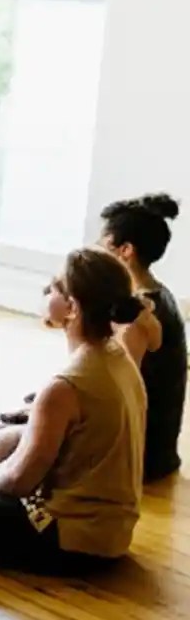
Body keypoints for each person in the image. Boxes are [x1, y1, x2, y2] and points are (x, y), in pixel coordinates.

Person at [0, 247, 145, 575]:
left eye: (54, 287)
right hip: (110, 533)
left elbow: (19, 480)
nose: (46, 292)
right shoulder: (119, 358)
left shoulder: (66, 385)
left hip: (67, 537)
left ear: (72, 307)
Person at [100, 194, 185, 482]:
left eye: (105, 244)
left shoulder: (140, 314)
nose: (99, 249)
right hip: (159, 451)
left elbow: (116, 388)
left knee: (6, 443)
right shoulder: (159, 295)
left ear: (125, 250)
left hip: (141, 456)